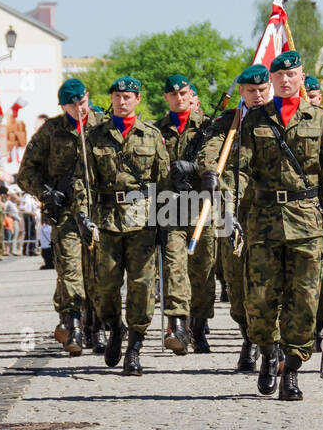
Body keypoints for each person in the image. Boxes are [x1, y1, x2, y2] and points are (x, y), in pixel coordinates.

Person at [209, 50, 323, 400]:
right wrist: (222, 189)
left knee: (304, 300)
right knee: (259, 301)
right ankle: (268, 352)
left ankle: (292, 369)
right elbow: (239, 170)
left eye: (292, 74)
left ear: (301, 77)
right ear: (272, 80)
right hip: (265, 222)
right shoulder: (254, 121)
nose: (285, 80)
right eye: (279, 76)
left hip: (308, 221)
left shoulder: (320, 119)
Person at [82, 76, 171, 376]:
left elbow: (165, 182)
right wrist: (83, 216)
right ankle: (114, 328)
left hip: (142, 221)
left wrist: (165, 222)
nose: (122, 101)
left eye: (128, 96)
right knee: (103, 288)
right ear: (111, 100)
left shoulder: (151, 135)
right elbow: (83, 183)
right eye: (117, 96)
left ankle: (134, 347)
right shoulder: (95, 137)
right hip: (106, 220)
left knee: (142, 287)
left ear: (138, 100)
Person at [17, 78, 104, 354]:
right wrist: (45, 192)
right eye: (72, 105)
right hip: (65, 212)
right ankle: (74, 324)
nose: (79, 109)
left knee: (100, 271)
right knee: (70, 269)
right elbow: (26, 171)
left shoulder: (103, 125)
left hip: (99, 211)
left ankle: (98, 325)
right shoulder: (51, 131)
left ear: (87, 97)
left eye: (82, 102)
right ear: (62, 106)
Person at [197, 66, 274, 372]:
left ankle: (267, 343)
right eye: (251, 91)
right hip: (234, 212)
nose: (258, 96)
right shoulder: (229, 122)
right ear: (242, 92)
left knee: (269, 283)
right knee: (238, 282)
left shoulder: (279, 121)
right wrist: (209, 170)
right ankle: (248, 336)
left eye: (262, 90)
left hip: (271, 213)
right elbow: (210, 152)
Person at [153, 73, 207, 354]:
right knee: (175, 267)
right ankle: (178, 327)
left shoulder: (207, 126)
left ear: (190, 94)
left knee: (202, 272)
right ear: (167, 98)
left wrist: (195, 169)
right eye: (173, 94)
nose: (179, 98)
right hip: (170, 208)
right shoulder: (155, 130)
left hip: (203, 208)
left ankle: (199, 327)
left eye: (183, 93)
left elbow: (214, 160)